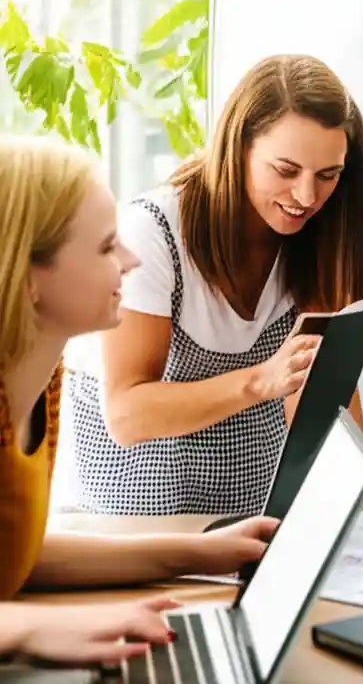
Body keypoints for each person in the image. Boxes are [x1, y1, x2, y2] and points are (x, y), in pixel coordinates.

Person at [0, 135, 277, 666]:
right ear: (31, 275)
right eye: (106, 246)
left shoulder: (45, 384)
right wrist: (29, 630)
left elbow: (15, 555)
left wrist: (203, 552)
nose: (129, 261)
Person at [66, 54, 363, 515]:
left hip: (244, 519)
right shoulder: (152, 235)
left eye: (327, 176)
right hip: (130, 520)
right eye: (285, 170)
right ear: (238, 148)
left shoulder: (315, 235)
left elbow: (322, 400)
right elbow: (127, 415)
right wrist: (259, 380)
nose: (307, 196)